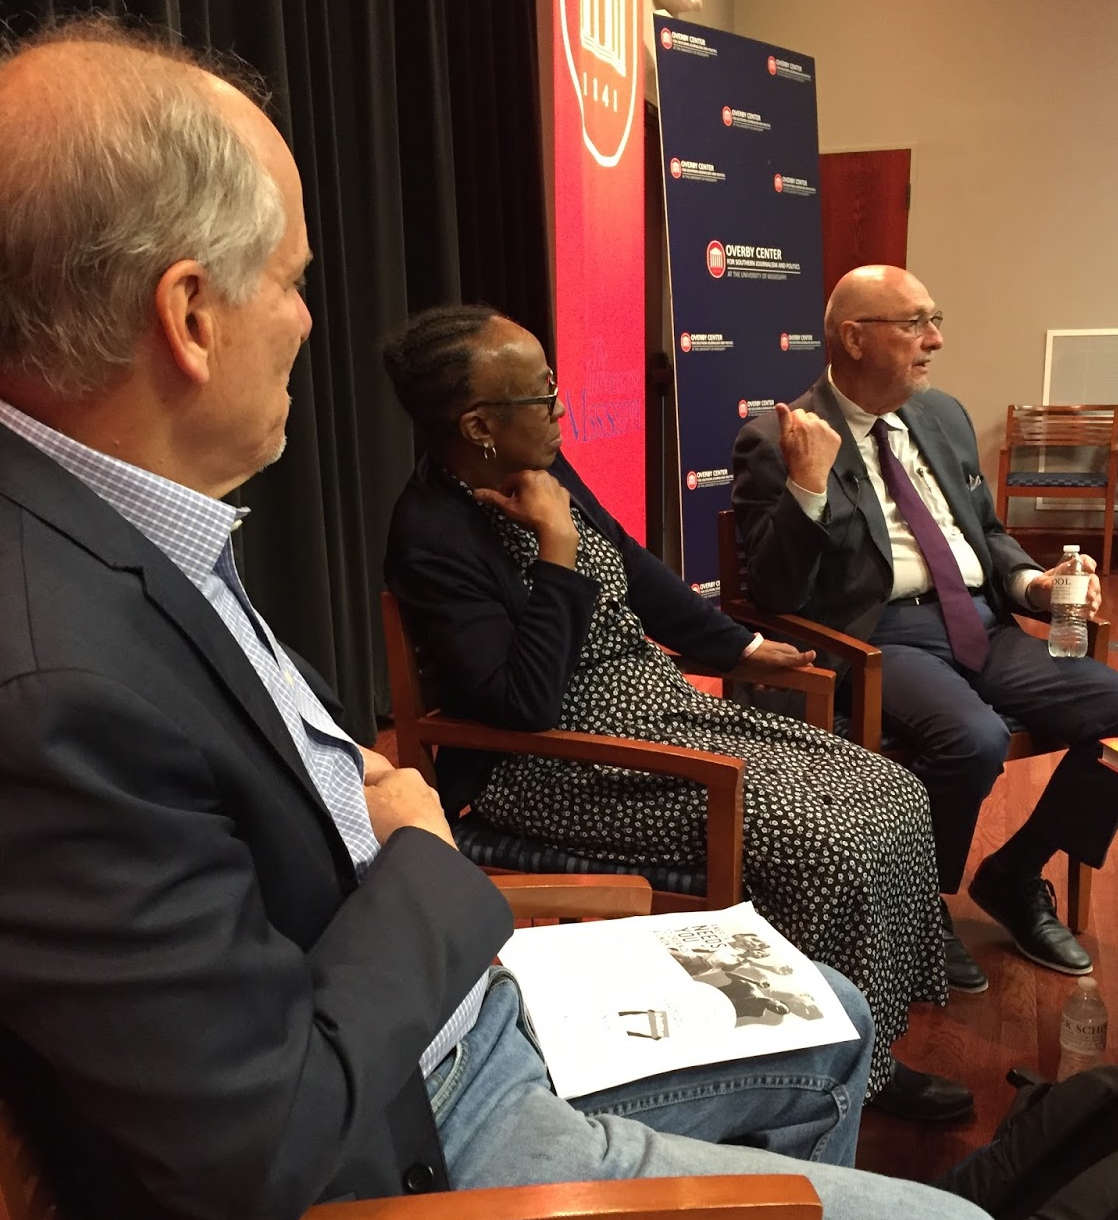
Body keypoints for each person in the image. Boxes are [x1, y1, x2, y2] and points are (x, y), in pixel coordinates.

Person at [0, 20, 1030, 1220]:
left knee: (839, 1020)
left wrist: (736, 648)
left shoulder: (128, 535)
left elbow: (643, 605)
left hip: (448, 1020)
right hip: (402, 1169)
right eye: (291, 281)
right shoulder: (53, 662)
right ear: (189, 314)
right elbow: (266, 1137)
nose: (306, 318)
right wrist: (422, 855)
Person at [384, 304, 970, 1123]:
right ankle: (802, 1079)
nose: (561, 413)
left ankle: (860, 1048)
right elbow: (521, 704)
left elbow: (639, 571)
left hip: (651, 708)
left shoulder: (545, 468)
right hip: (553, 760)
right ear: (480, 425)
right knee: (825, 840)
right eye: (543, 397)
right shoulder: (430, 535)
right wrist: (555, 552)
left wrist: (736, 648)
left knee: (892, 792)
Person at [732, 265, 1118, 990]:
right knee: (973, 737)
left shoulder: (945, 417)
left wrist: (1034, 583)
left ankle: (1015, 874)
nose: (934, 340)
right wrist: (809, 486)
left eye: (934, 320)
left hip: (980, 622)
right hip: (878, 637)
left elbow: (987, 535)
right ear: (854, 338)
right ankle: (920, 908)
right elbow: (774, 591)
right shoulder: (777, 438)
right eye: (914, 325)